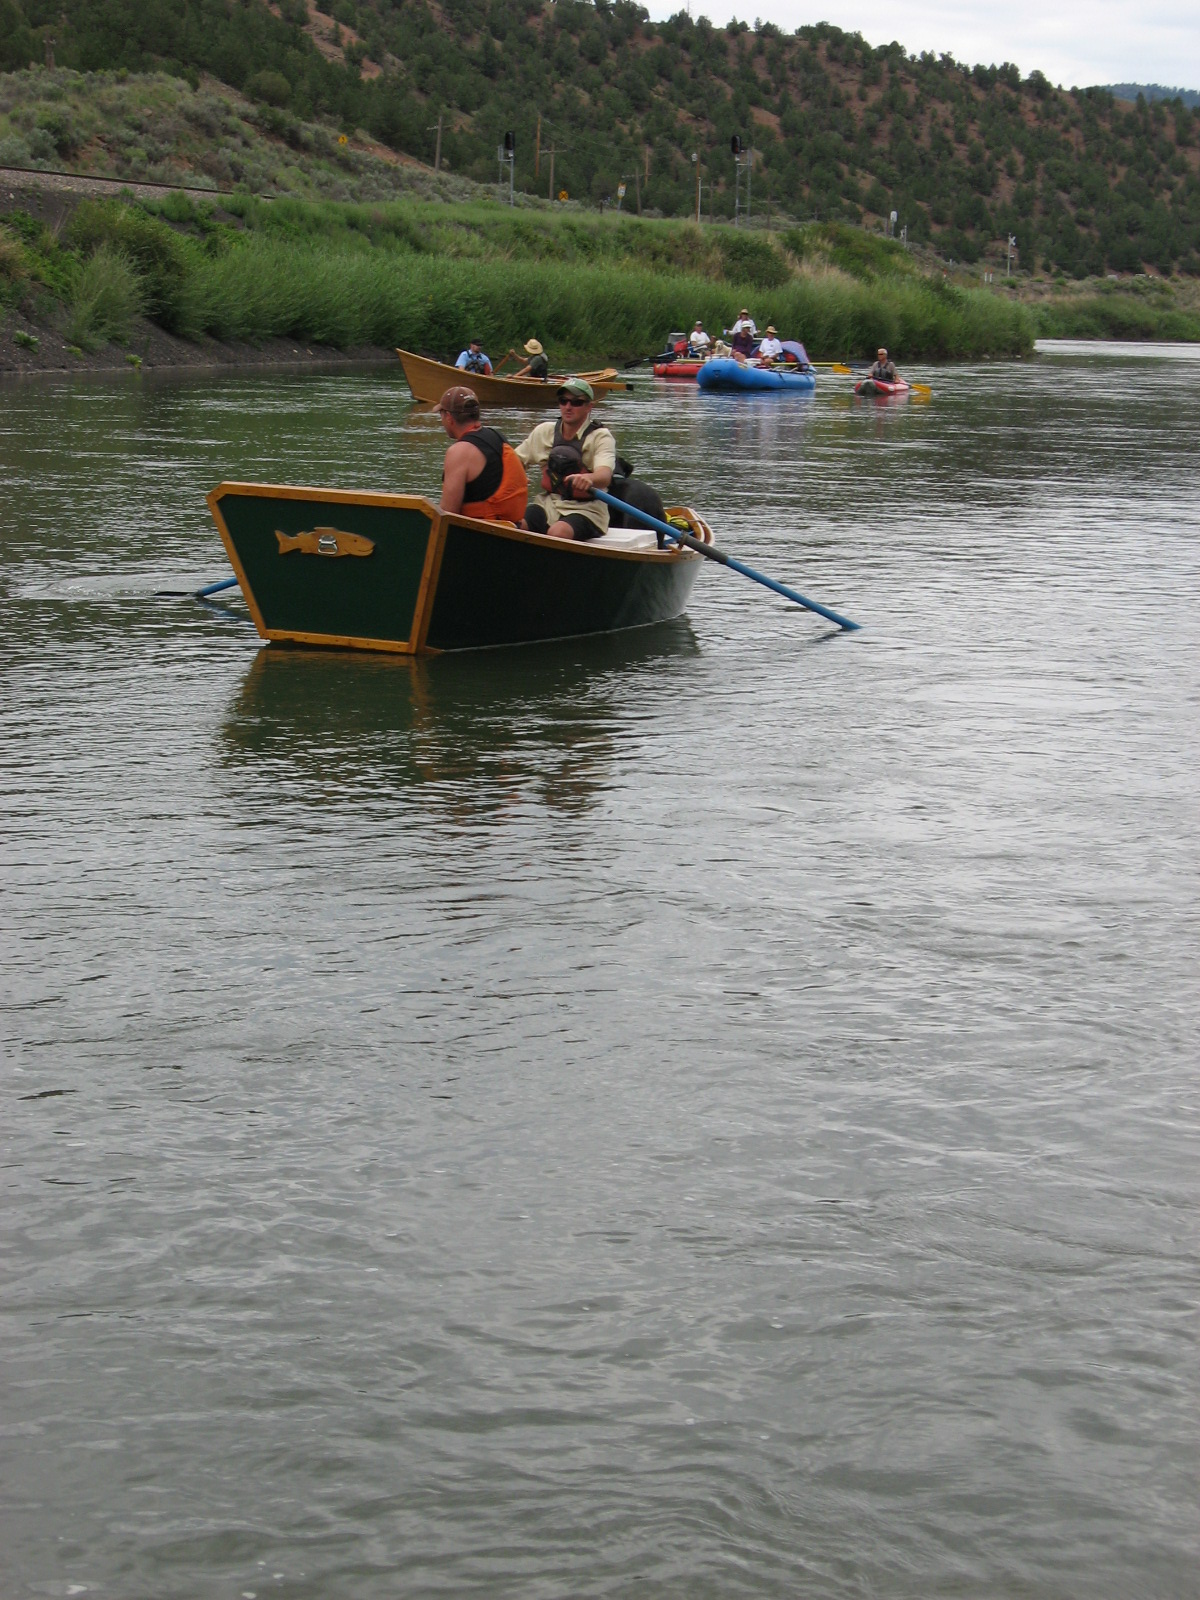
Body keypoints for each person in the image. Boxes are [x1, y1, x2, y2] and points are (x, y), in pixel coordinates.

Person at [513, 377, 616, 541]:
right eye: (563, 401)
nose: (568, 407)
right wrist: (517, 474)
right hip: (548, 504)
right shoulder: (543, 432)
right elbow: (514, 461)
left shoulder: (601, 437)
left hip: (588, 509)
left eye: (576, 402)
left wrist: (588, 478)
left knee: (557, 532)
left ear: (589, 407)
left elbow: (604, 476)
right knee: (515, 525)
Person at [436, 386, 528, 523]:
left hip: (483, 533)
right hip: (511, 526)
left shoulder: (459, 452)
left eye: (441, 415)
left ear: (449, 417)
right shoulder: (497, 436)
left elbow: (448, 514)